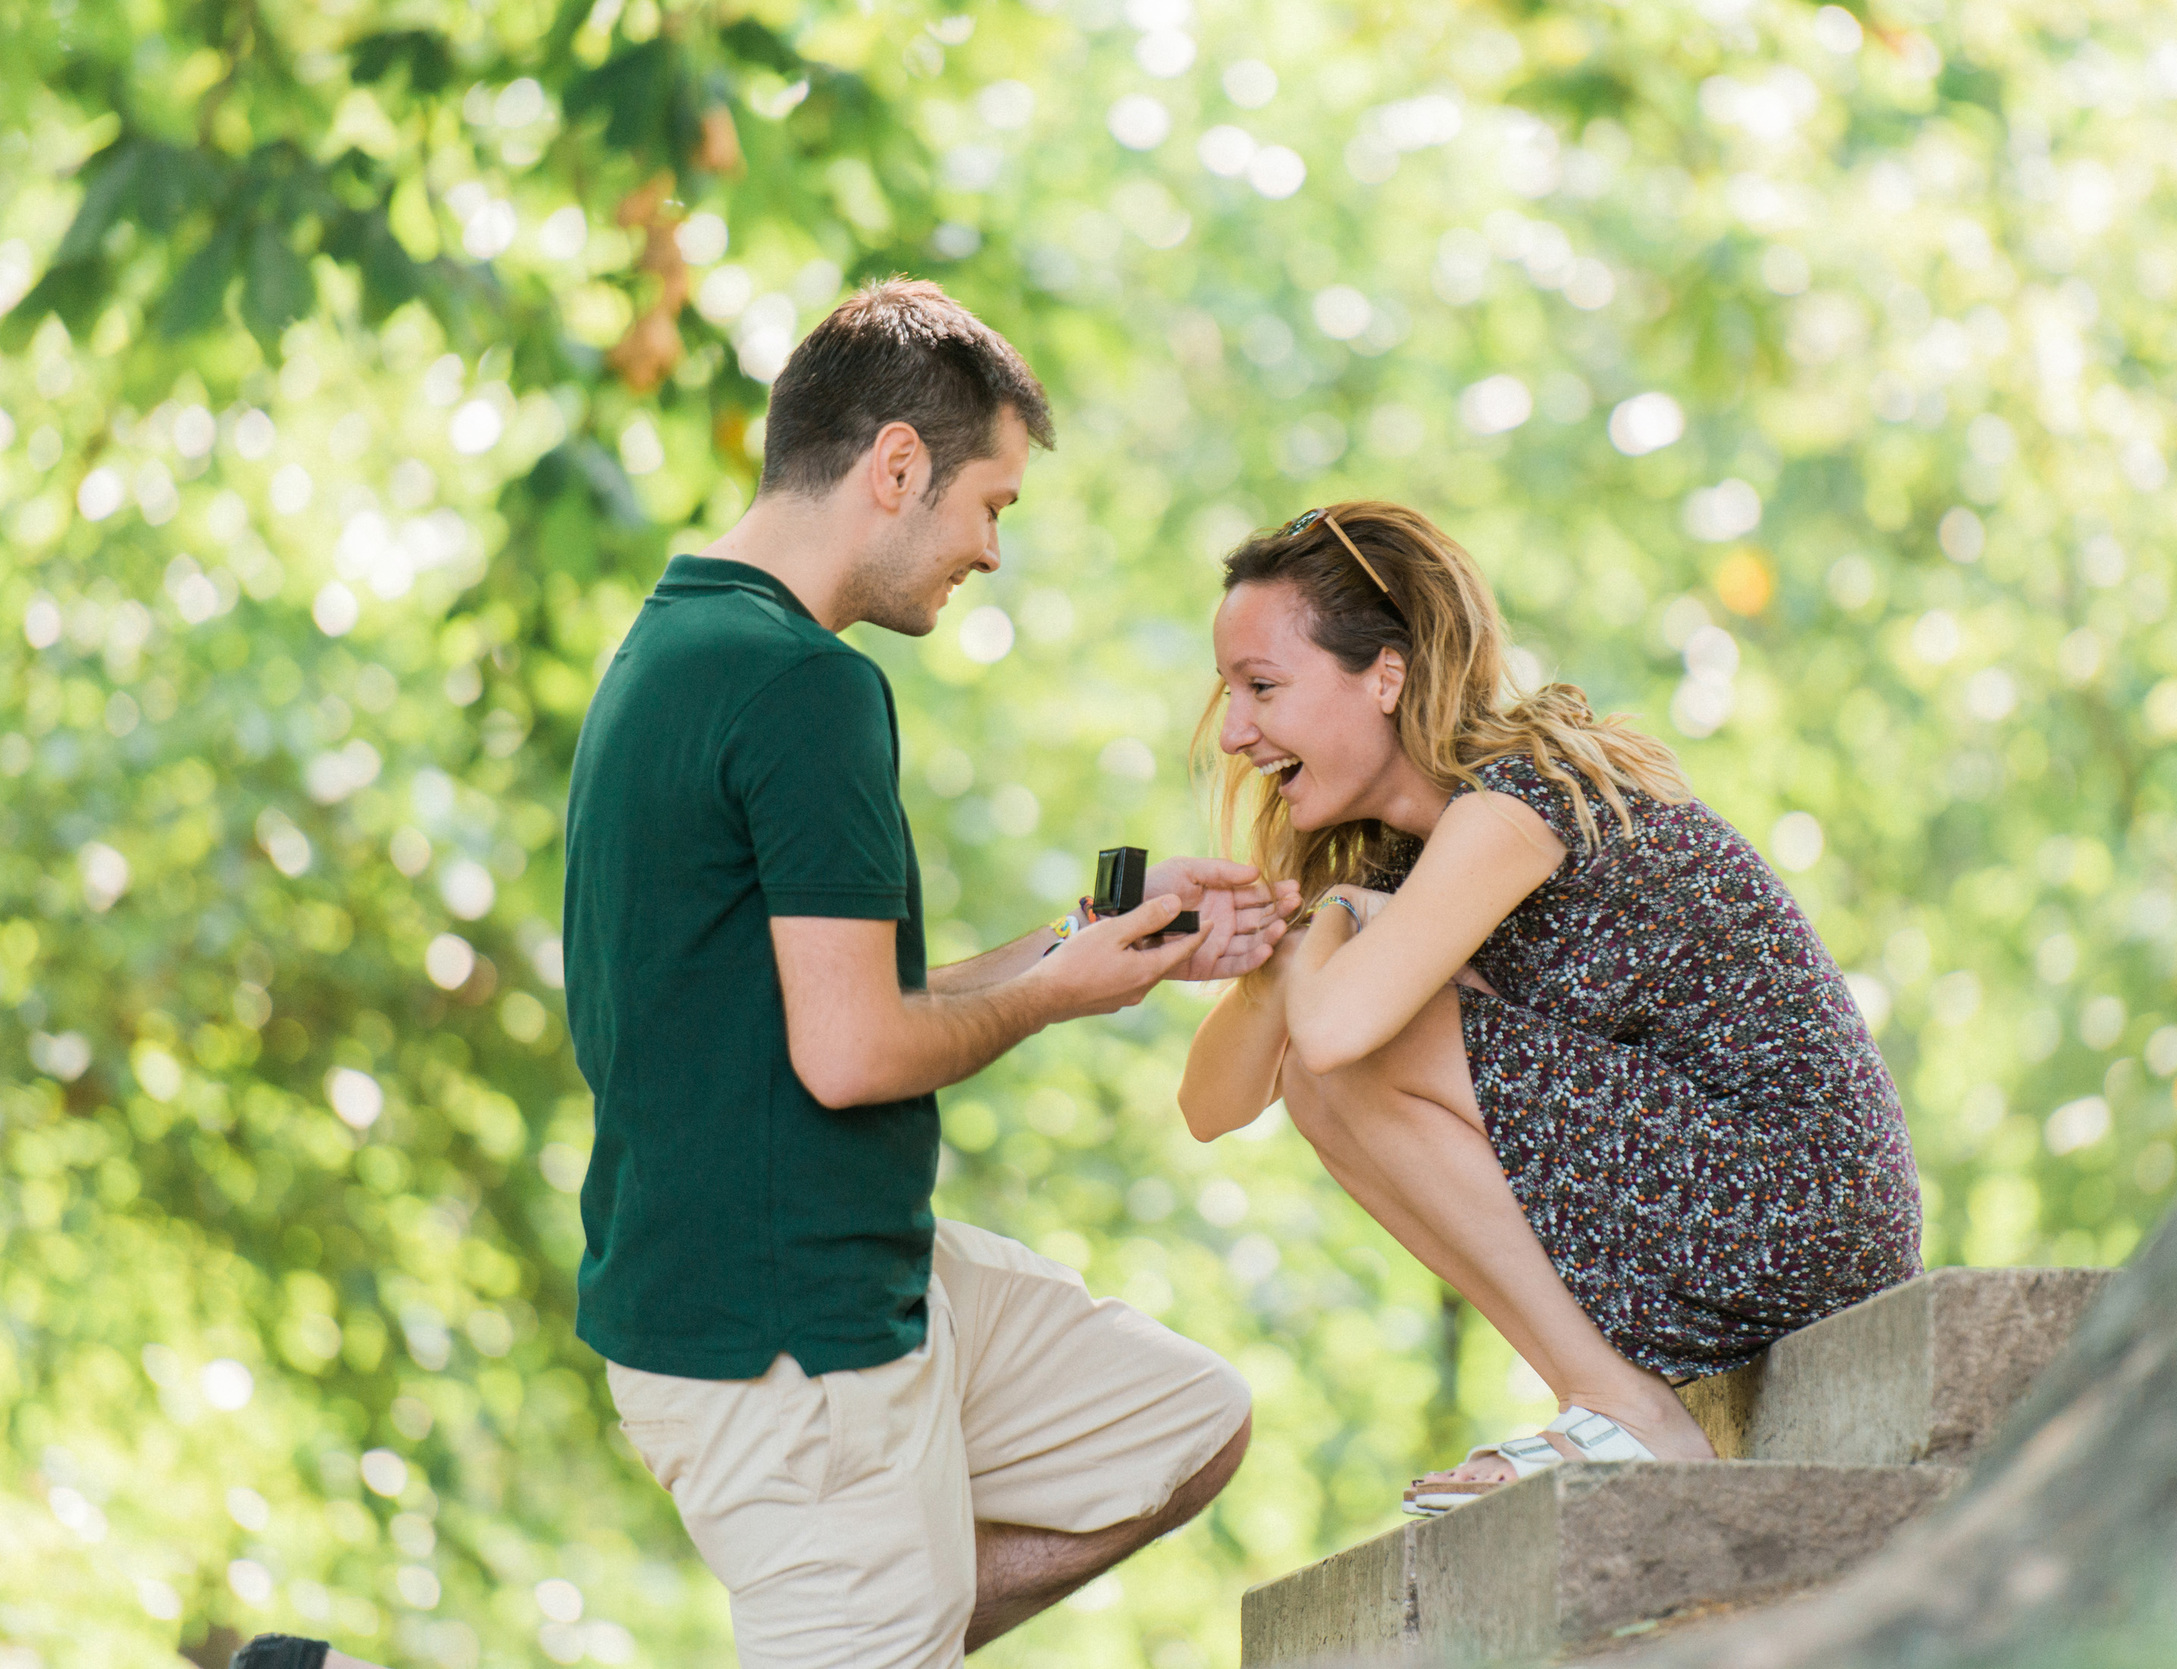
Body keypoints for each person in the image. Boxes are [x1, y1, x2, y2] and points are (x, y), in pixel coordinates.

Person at [561, 279, 1294, 1667]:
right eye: (992, 505)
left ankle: (865, 1621)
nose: (991, 551)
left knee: (1179, 1423)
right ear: (898, 464)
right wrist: (1052, 999)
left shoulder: (678, 644)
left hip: (831, 1270)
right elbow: (850, 1056)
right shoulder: (805, 686)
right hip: (792, 1342)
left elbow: (823, 1002)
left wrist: (1083, 943)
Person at [1177, 502, 1922, 1514]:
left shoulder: (1516, 800)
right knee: (1322, 1077)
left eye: (1262, 687)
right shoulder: (1404, 860)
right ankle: (1616, 1404)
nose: (1232, 732)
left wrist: (1335, 917)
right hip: (1694, 1205)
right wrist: (1280, 943)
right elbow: (1211, 1106)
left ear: (1383, 675)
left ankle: (1623, 1411)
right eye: (1228, 693)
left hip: (1794, 1201)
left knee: (1344, 1053)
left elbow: (1339, 1033)